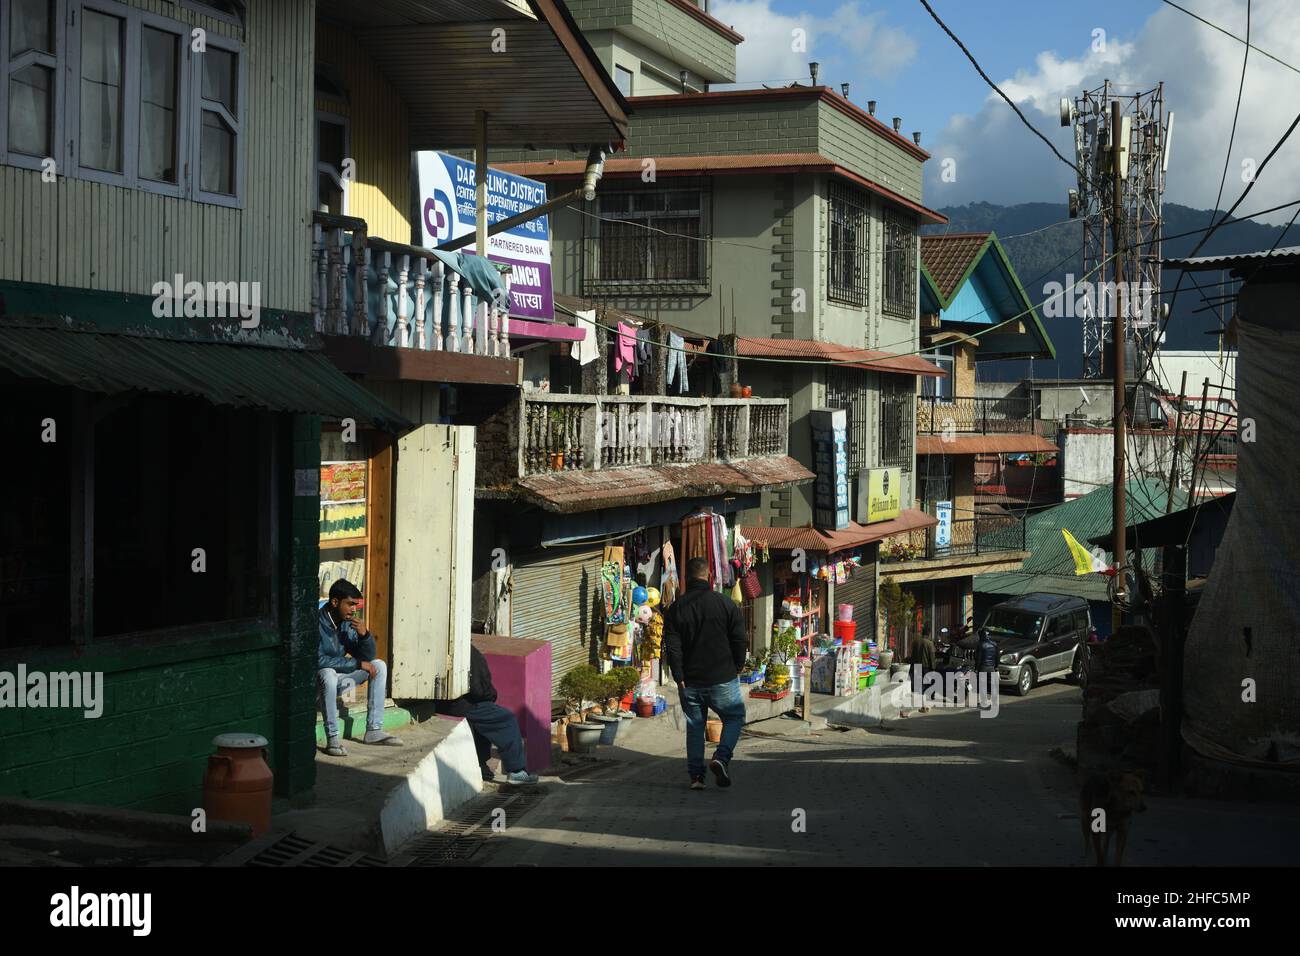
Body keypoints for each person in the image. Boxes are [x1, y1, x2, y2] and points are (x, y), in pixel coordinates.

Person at [662, 556, 748, 790]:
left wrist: (679, 676)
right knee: (734, 718)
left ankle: (697, 778)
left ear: (685, 578)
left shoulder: (676, 609)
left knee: (695, 727)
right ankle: (721, 757)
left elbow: (673, 647)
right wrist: (738, 665)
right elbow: (739, 639)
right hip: (723, 677)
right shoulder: (726, 604)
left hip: (690, 681)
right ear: (709, 576)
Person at [318, 580, 403, 756]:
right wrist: (356, 664)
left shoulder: (346, 623)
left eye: (356, 605)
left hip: (339, 681)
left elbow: (367, 658)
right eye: (350, 604)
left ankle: (374, 730)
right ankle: (332, 739)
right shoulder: (316, 622)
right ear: (335, 602)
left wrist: (364, 636)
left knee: (378, 665)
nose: (353, 609)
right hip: (316, 686)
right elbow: (318, 660)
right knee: (328, 673)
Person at [436, 643, 539, 786]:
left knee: (485, 721)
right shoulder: (466, 652)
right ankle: (516, 771)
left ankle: (481, 765)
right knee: (506, 720)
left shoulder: (458, 649)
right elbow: (477, 688)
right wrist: (490, 695)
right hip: (465, 703)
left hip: (458, 703)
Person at [899, 630, 936, 718]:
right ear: (929, 634)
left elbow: (912, 654)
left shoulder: (916, 642)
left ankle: (922, 704)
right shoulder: (930, 643)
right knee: (925, 685)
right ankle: (923, 704)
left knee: (919, 684)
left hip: (916, 666)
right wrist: (933, 667)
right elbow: (932, 656)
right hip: (926, 667)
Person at [976, 626, 999, 706]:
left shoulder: (981, 644)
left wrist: (976, 669)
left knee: (983, 685)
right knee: (993, 685)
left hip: (983, 667)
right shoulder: (994, 644)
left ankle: (984, 702)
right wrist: (996, 667)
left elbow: (978, 659)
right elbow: (997, 657)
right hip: (992, 667)